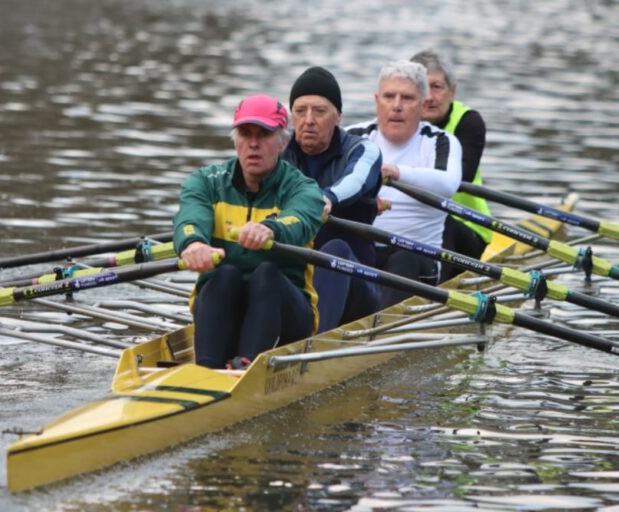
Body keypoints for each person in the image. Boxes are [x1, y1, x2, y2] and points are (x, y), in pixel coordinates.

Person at [173, 94, 324, 370]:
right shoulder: (205, 182)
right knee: (224, 274)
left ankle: (245, 366)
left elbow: (300, 221)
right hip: (222, 302)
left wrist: (270, 229)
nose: (253, 144)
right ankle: (205, 370)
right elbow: (190, 217)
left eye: (264, 134)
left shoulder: (303, 188)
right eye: (245, 133)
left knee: (265, 273)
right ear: (235, 139)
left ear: (283, 142)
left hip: (287, 317)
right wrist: (192, 243)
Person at [348, 60, 462, 307]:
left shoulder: (441, 142)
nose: (396, 106)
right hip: (364, 254)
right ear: (377, 100)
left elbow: (448, 184)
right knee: (339, 251)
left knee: (404, 258)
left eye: (407, 98)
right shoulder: (354, 136)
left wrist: (398, 172)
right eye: (389, 96)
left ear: (422, 105)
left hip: (418, 260)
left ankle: (386, 340)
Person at [281, 66, 384, 332]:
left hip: (356, 288)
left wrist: (327, 199)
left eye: (320, 111)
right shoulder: (277, 154)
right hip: (296, 283)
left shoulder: (363, 150)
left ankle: (313, 346)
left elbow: (356, 181)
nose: (308, 120)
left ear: (338, 116)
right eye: (300, 111)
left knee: (335, 249)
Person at [410, 49, 492, 279]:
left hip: (468, 229)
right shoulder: (397, 122)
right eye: (422, 88)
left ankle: (436, 290)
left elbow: (459, 177)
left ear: (452, 91)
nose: (428, 97)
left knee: (439, 219)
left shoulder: (468, 122)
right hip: (415, 227)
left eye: (436, 87)